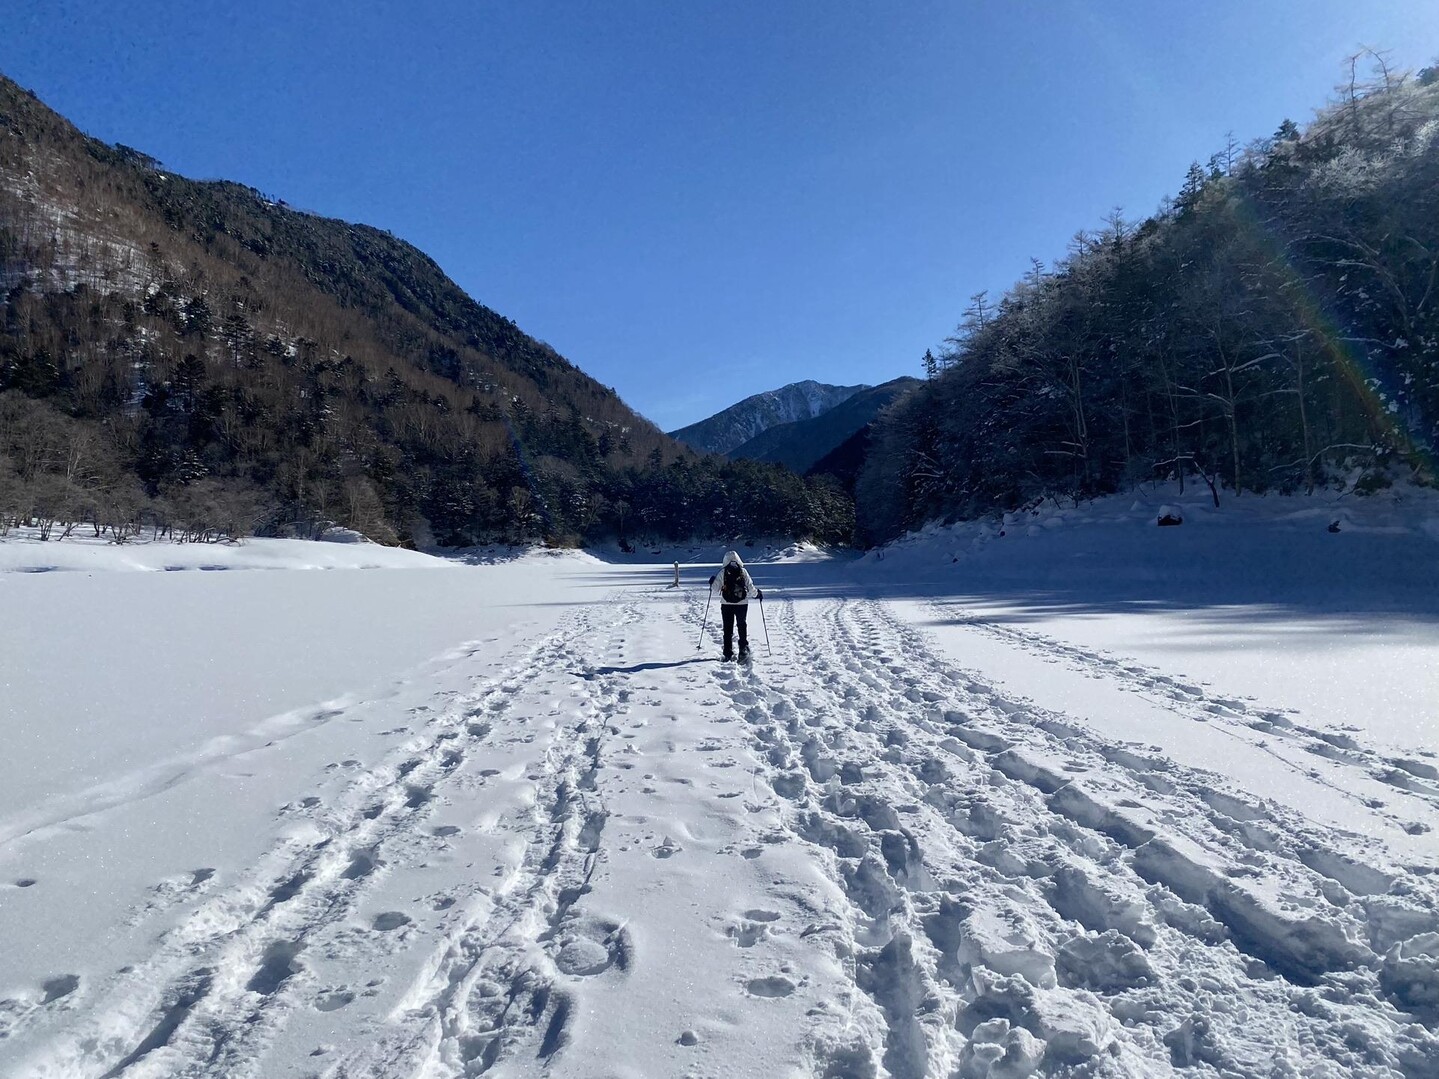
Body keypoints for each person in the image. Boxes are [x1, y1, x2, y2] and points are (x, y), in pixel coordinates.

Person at [708, 551, 762, 661]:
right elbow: (750, 587)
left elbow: (715, 589)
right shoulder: (743, 571)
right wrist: (757, 594)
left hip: (726, 604)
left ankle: (727, 652)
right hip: (742, 603)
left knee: (727, 627)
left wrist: (712, 582)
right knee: (741, 624)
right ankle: (743, 648)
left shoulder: (723, 572)